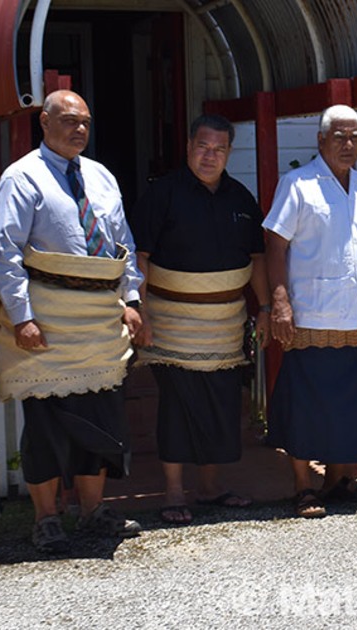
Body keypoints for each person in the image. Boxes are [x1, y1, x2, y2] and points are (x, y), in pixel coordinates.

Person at [0, 90, 144, 553]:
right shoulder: (22, 177)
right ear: (44, 122)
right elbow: (4, 251)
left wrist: (131, 297)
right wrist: (22, 317)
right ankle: (46, 517)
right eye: (69, 121)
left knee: (101, 422)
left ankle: (93, 512)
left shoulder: (101, 176)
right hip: (49, 322)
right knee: (46, 425)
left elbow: (123, 242)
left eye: (85, 122)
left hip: (99, 322)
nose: (78, 129)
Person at [129, 114, 269, 524]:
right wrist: (142, 311)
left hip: (225, 324)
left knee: (222, 406)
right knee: (177, 406)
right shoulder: (162, 195)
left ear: (229, 153)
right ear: (189, 147)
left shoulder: (241, 199)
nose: (210, 156)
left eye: (219, 149)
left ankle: (210, 487)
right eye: (203, 147)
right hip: (172, 321)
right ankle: (174, 492)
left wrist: (263, 307)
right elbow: (140, 259)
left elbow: (257, 259)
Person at [263, 104, 357, 518]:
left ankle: (342, 479)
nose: (348, 144)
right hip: (312, 314)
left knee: (351, 404)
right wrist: (279, 300)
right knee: (307, 407)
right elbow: (275, 245)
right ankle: (303, 486)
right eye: (339, 136)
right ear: (320, 140)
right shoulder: (298, 184)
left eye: (354, 136)